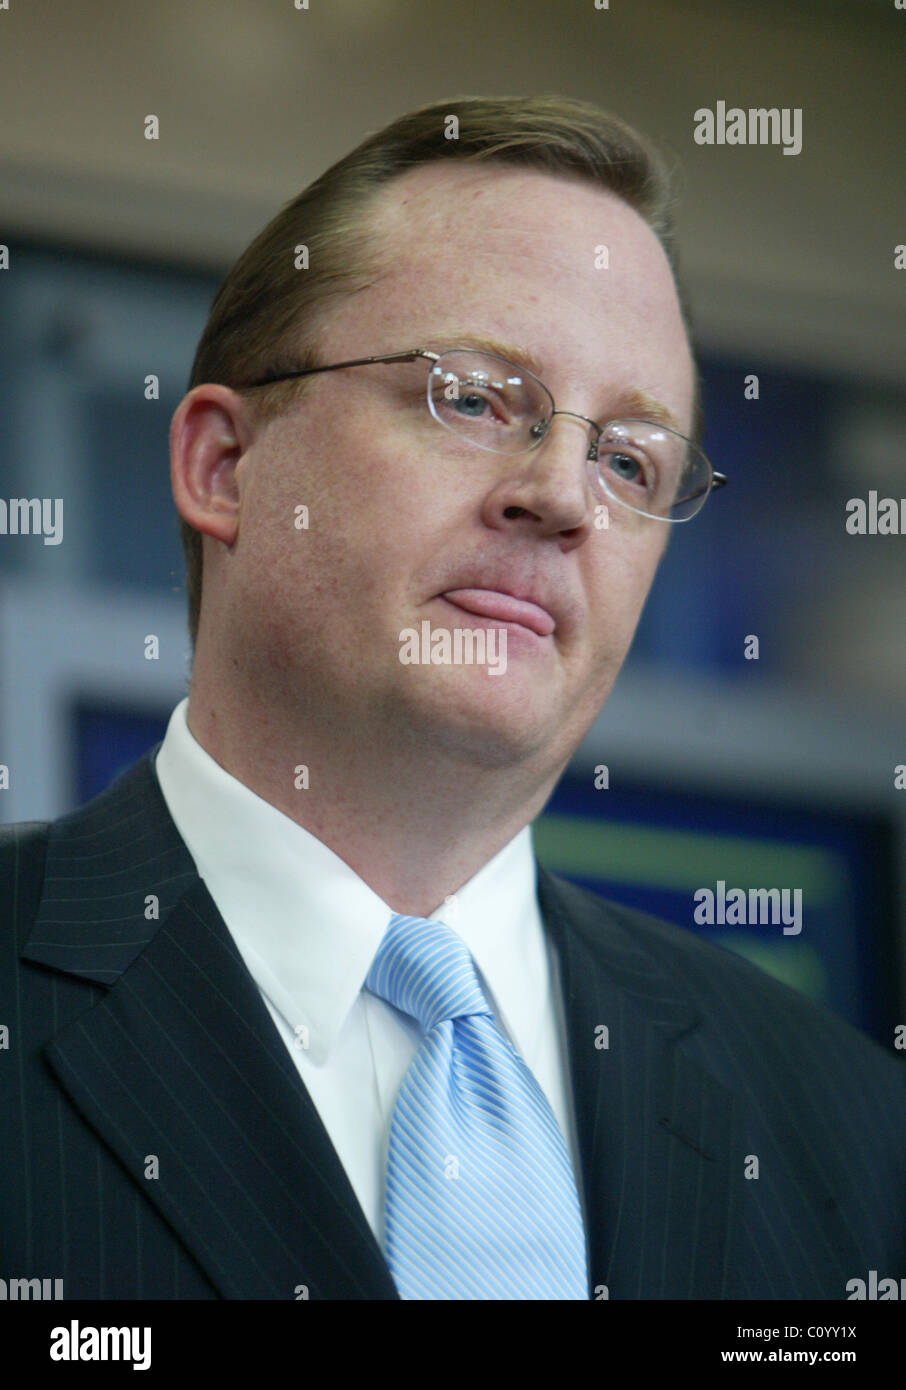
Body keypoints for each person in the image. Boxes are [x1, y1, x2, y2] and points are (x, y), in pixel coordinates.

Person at [2, 96, 903, 1302]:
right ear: (227, 466)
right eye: (475, 397)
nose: (565, 497)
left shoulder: (849, 1126)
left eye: (629, 457)